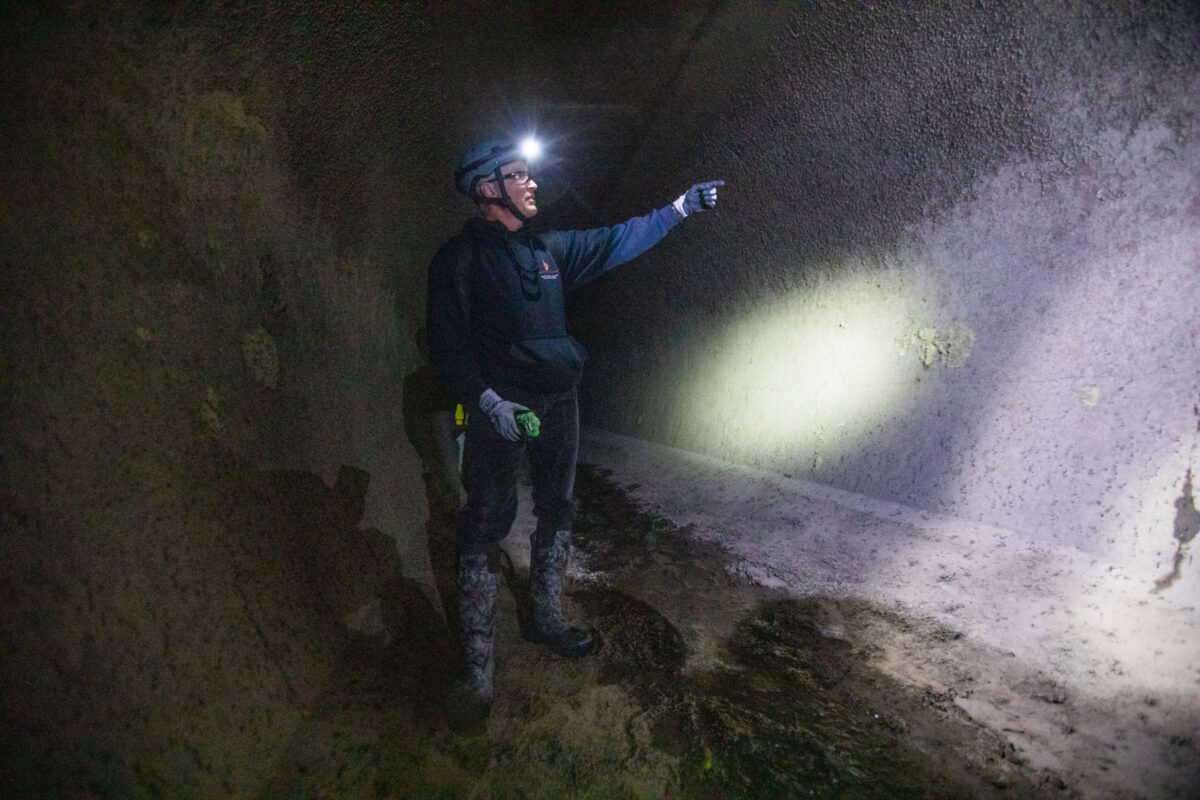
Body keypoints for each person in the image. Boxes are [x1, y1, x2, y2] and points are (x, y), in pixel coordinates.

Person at [426, 137, 723, 722]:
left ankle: (547, 618)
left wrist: (680, 209)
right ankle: (478, 674)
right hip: (501, 411)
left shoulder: (549, 250)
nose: (533, 183)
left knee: (559, 508)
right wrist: (488, 404)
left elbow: (616, 240)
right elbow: (447, 346)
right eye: (518, 175)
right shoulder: (458, 261)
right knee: (486, 522)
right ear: (489, 189)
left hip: (559, 402)